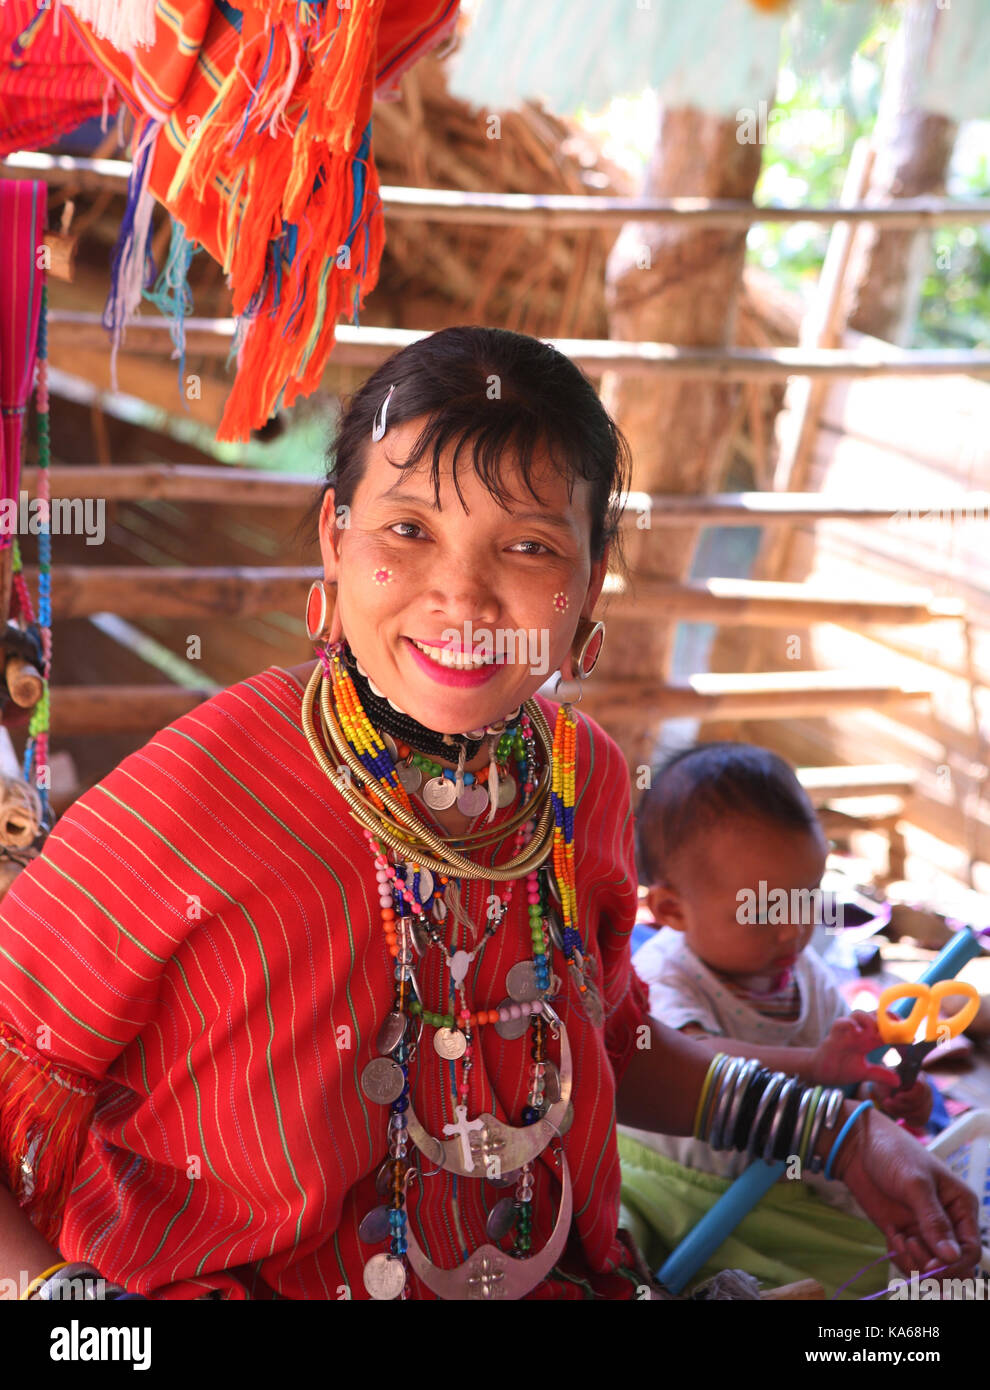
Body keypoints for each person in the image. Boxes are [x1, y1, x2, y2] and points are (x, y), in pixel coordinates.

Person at [0, 328, 979, 1301]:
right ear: (334, 540)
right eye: (409, 530)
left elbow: (605, 1040)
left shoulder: (576, 776)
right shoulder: (210, 785)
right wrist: (54, 1297)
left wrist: (837, 1130)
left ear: (591, 582)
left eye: (527, 545)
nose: (461, 593)